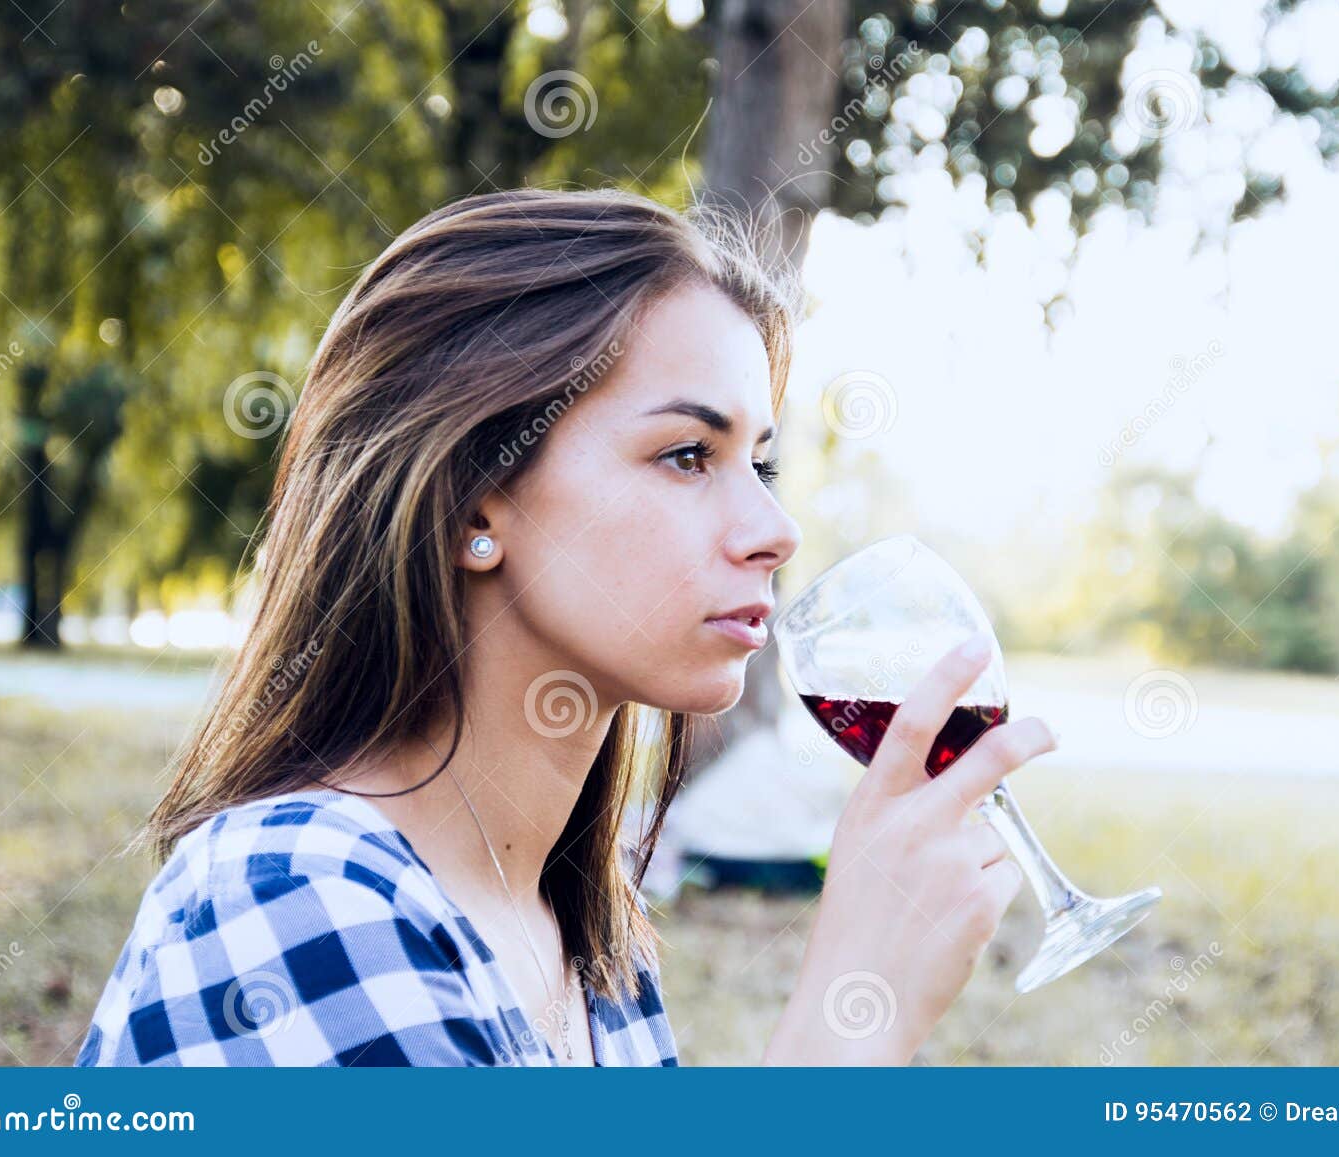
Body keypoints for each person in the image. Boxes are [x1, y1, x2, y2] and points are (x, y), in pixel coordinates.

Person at [75, 188, 1056, 1067]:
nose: (774, 531)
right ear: (473, 506)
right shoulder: (292, 897)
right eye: (684, 454)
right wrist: (855, 1018)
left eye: (756, 463)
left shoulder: (589, 940)